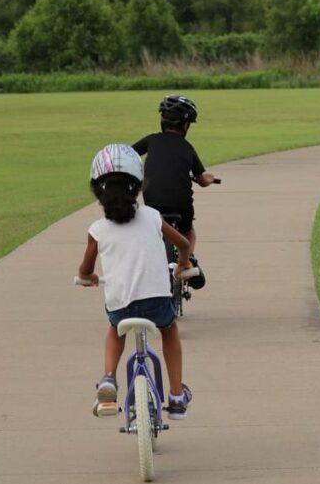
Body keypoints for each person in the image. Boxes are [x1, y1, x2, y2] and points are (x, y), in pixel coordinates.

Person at [77, 143, 194, 420]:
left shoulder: (97, 230)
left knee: (115, 329)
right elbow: (183, 244)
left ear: (98, 190)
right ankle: (177, 396)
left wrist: (87, 277)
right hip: (157, 302)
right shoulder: (152, 217)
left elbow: (85, 268)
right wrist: (182, 264)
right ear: (138, 185)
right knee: (169, 330)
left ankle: (108, 379)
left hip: (121, 305)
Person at [132, 95, 217, 289]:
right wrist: (210, 178)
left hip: (153, 200)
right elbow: (202, 180)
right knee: (188, 231)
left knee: (154, 227)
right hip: (181, 203)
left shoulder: (152, 140)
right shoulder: (187, 148)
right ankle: (187, 261)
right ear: (186, 125)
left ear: (163, 120)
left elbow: (128, 153)